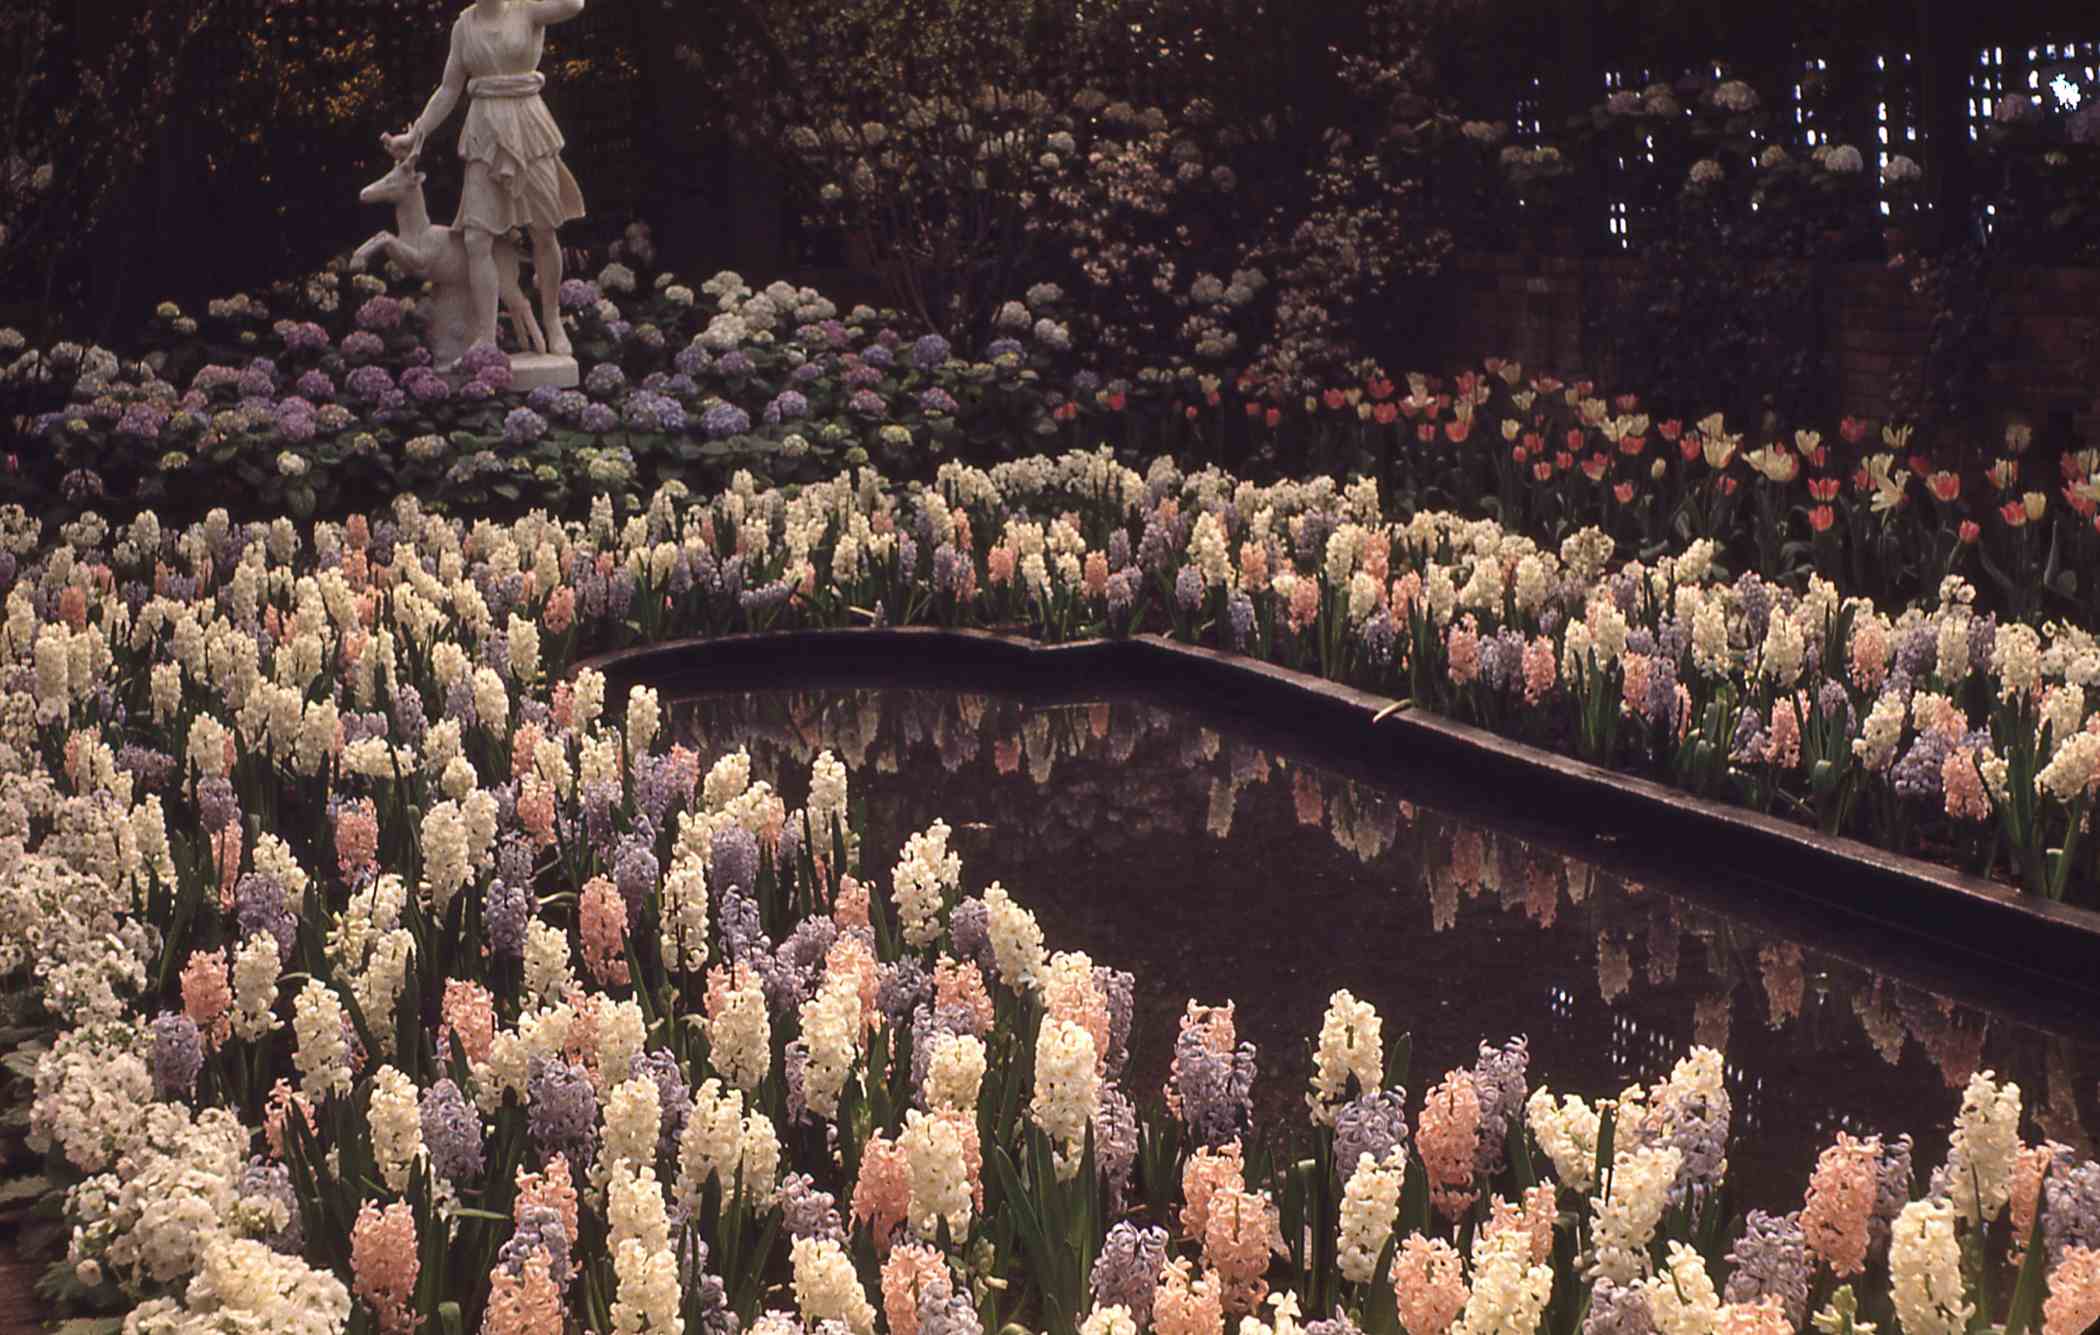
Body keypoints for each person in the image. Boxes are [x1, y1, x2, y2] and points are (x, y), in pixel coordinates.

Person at [385, 0, 586, 360]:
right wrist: (416, 134)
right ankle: (487, 338)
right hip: (483, 133)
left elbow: (573, 4)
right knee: (477, 238)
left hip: (529, 126)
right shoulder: (464, 25)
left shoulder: (528, 10)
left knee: (543, 229)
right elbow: (448, 90)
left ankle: (552, 320)